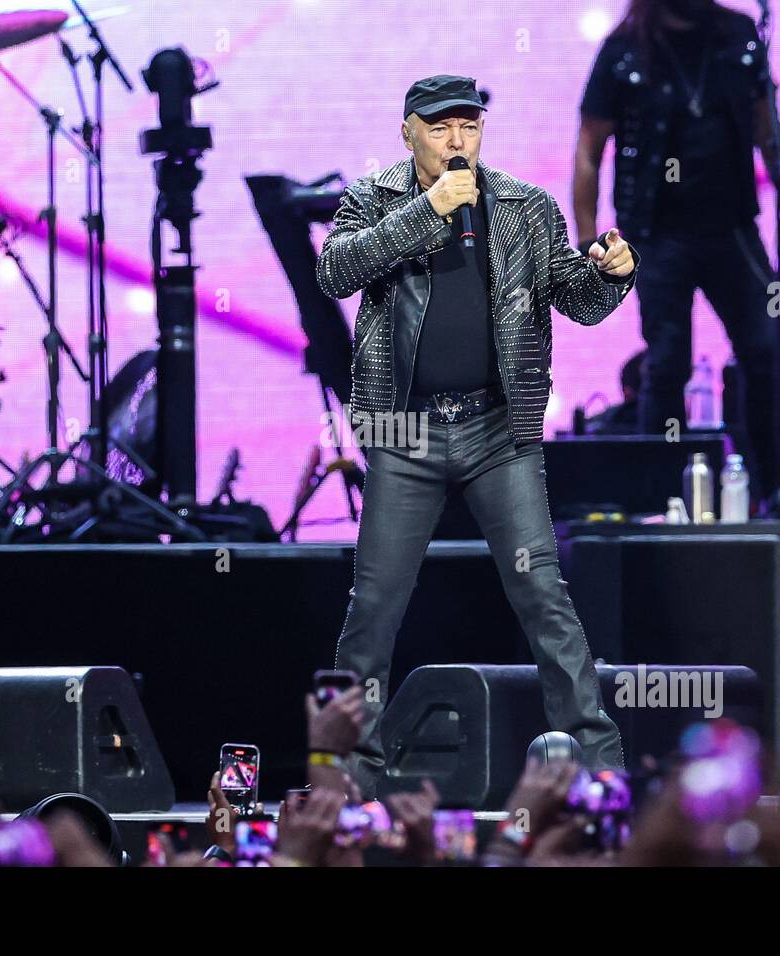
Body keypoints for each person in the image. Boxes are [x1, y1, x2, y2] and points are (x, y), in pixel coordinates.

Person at [317, 74, 639, 796]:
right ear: (409, 133)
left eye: (469, 126)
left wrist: (614, 273)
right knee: (374, 607)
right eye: (440, 128)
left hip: (499, 430)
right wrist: (428, 211)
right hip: (405, 431)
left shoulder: (525, 207)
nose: (457, 141)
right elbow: (336, 271)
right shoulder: (375, 199)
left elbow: (579, 302)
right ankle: (347, 772)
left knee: (543, 595)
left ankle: (596, 766)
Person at [573, 0, 780, 506]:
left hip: (731, 226)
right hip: (657, 232)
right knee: (667, 361)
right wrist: (587, 235)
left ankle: (775, 494)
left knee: (764, 350)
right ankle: (663, 501)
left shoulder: (739, 36)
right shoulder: (625, 49)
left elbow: (769, 135)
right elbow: (589, 148)